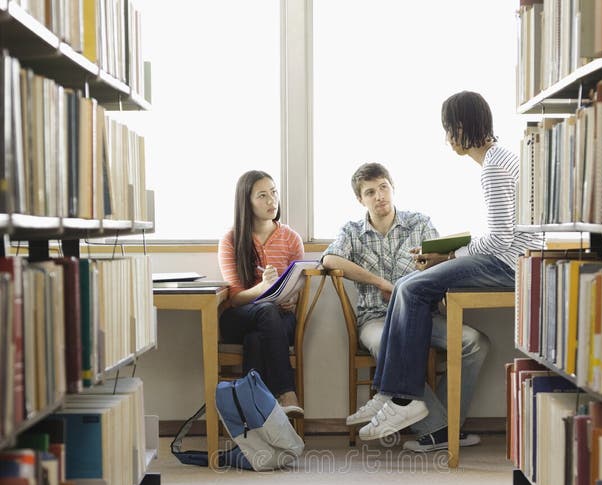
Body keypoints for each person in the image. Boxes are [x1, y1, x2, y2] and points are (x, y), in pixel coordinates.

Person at [356, 91, 545, 447]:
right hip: (511, 257)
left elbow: (500, 239)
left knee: (411, 287)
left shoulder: (493, 168)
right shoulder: (502, 160)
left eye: (447, 130)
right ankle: (393, 394)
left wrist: (451, 256)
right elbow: (501, 231)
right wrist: (454, 254)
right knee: (408, 284)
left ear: (460, 128)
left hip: (509, 265)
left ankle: (403, 397)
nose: (446, 139)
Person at [321, 162, 483, 448]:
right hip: (375, 319)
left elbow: (442, 262)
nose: (379, 195)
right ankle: (440, 431)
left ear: (392, 188)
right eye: (370, 192)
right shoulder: (352, 232)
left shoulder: (419, 223)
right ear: (361, 199)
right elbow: (330, 260)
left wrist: (429, 269)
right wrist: (383, 285)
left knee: (474, 342)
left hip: (420, 316)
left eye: (383, 187)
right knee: (389, 343)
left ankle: (441, 427)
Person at [218, 169, 305, 415]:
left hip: (279, 320)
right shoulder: (231, 239)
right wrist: (263, 288)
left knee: (256, 339)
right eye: (262, 195)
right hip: (240, 317)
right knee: (266, 310)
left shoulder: (291, 238)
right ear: (246, 202)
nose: (272, 201)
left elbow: (298, 288)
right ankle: (286, 392)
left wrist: (292, 299)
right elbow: (235, 298)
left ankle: (253, 414)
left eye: (274, 193)